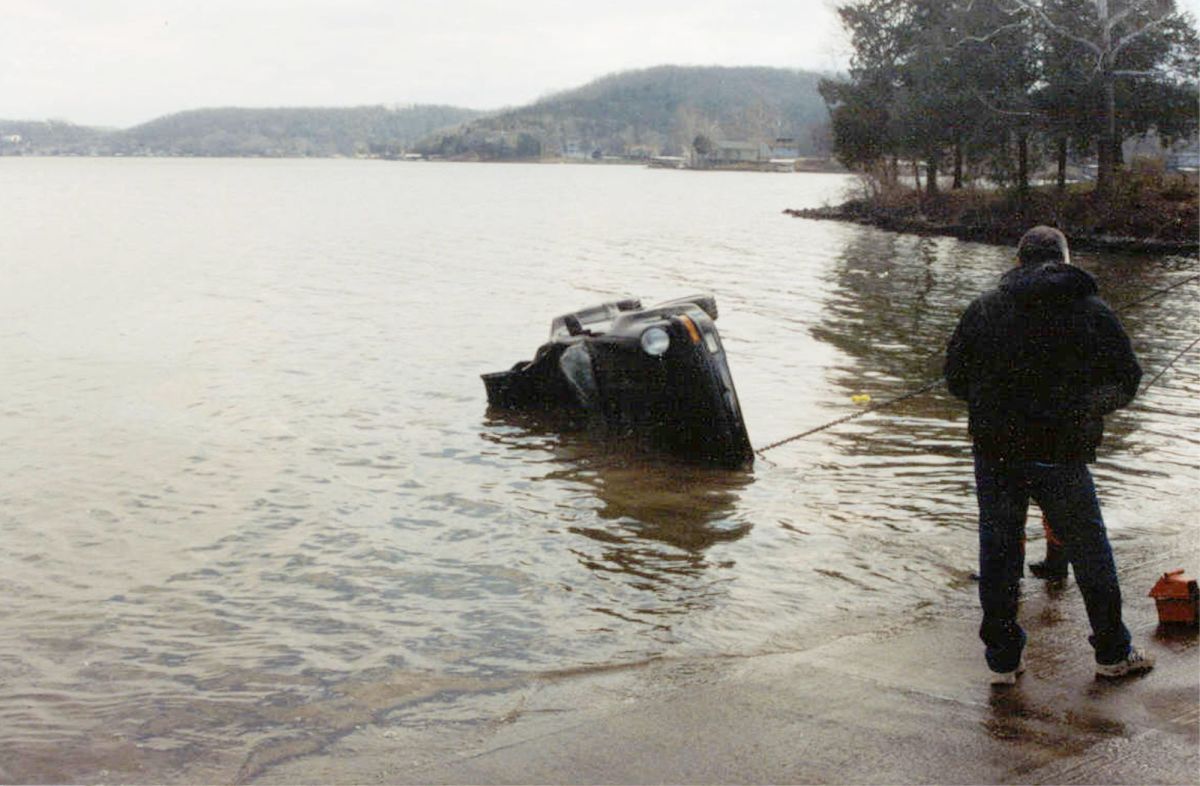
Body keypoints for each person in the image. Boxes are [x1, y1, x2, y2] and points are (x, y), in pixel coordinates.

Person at [944, 226, 1154, 685]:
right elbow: (1128, 378)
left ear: (1018, 261)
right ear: (1063, 259)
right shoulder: (1091, 308)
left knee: (998, 553)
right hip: (1062, 451)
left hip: (996, 451)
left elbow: (955, 379)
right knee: (1090, 549)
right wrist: (1084, 406)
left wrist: (992, 402)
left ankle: (1003, 662)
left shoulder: (983, 308)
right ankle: (1113, 654)